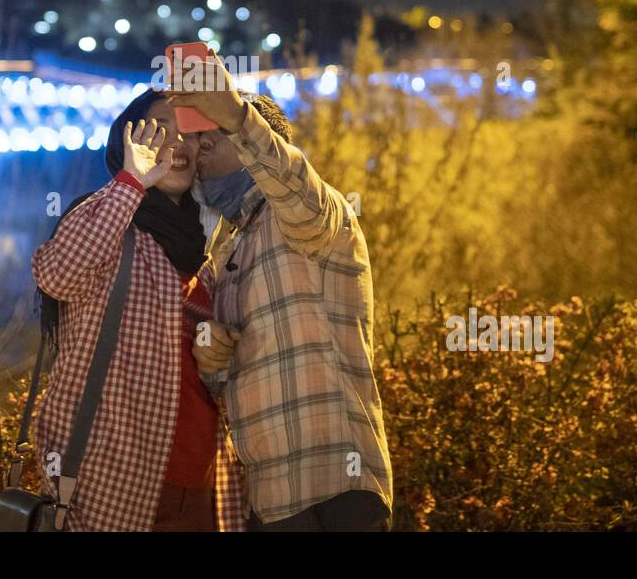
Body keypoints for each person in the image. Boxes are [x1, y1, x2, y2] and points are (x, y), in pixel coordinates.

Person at [172, 56, 393, 531]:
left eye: (217, 133)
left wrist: (235, 115)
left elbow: (292, 186)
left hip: (336, 486)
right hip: (269, 502)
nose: (201, 143)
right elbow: (234, 384)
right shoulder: (224, 250)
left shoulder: (310, 213)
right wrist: (212, 361)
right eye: (197, 135)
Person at [30, 89, 246, 531]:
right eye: (158, 130)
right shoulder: (107, 224)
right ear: (126, 143)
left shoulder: (200, 256)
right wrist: (130, 183)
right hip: (113, 486)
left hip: (205, 487)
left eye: (188, 131)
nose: (176, 143)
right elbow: (58, 274)